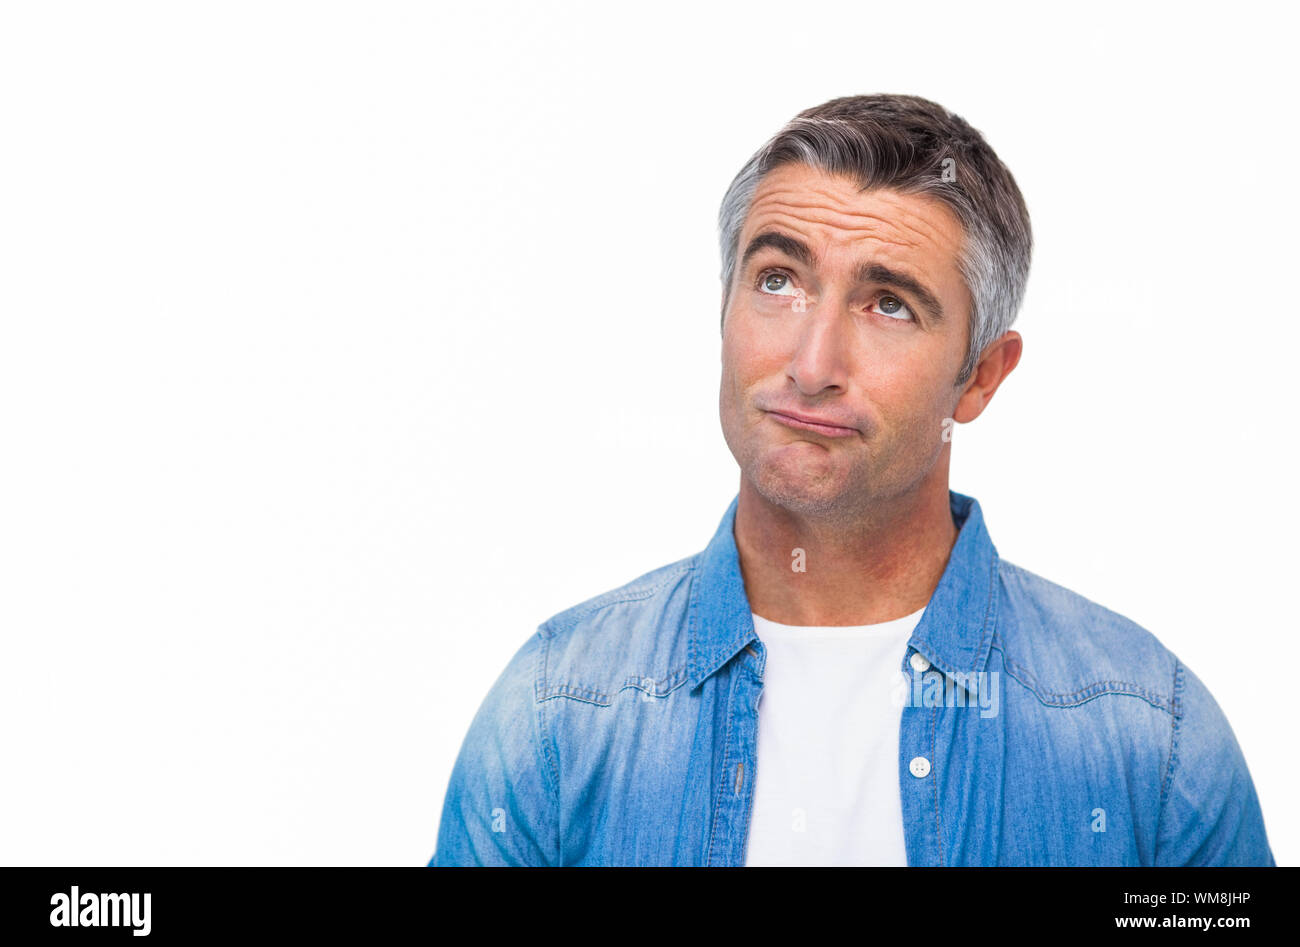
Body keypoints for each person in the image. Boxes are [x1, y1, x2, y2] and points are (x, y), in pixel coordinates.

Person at [428, 93, 1274, 866]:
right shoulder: (557, 714)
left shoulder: (1146, 739)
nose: (811, 364)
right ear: (724, 306)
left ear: (981, 376)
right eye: (779, 280)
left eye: (889, 303)